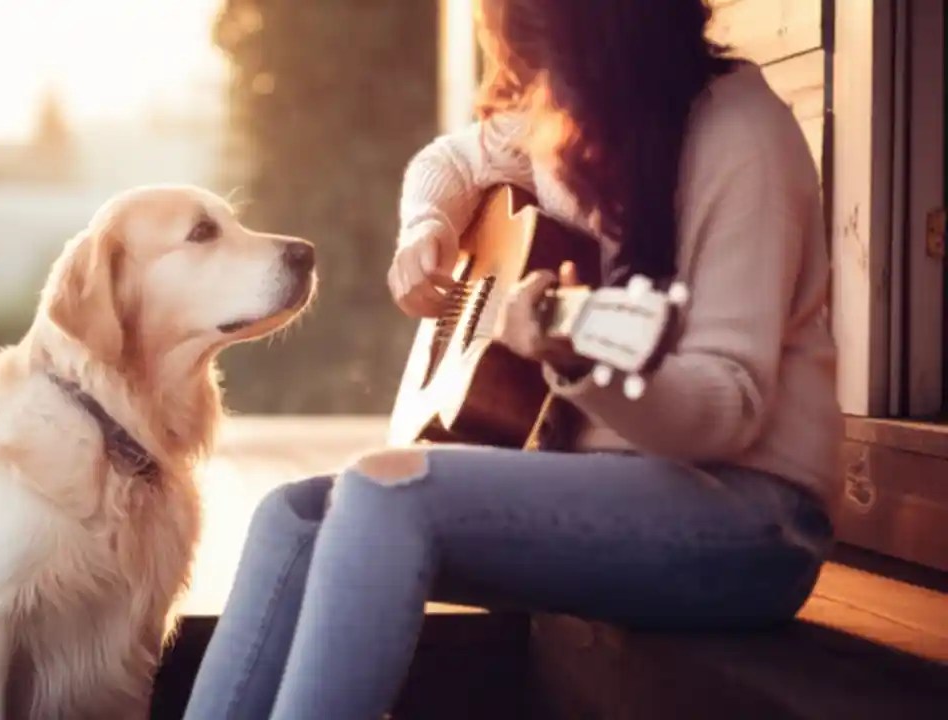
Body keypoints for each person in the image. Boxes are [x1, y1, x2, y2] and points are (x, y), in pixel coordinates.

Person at [184, 0, 841, 717]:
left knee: (383, 492)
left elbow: (725, 408)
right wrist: (428, 226)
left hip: (751, 525)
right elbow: (455, 158)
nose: (529, 87)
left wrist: (584, 363)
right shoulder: (585, 120)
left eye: (537, 61)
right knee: (292, 516)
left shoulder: (741, 135)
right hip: (609, 485)